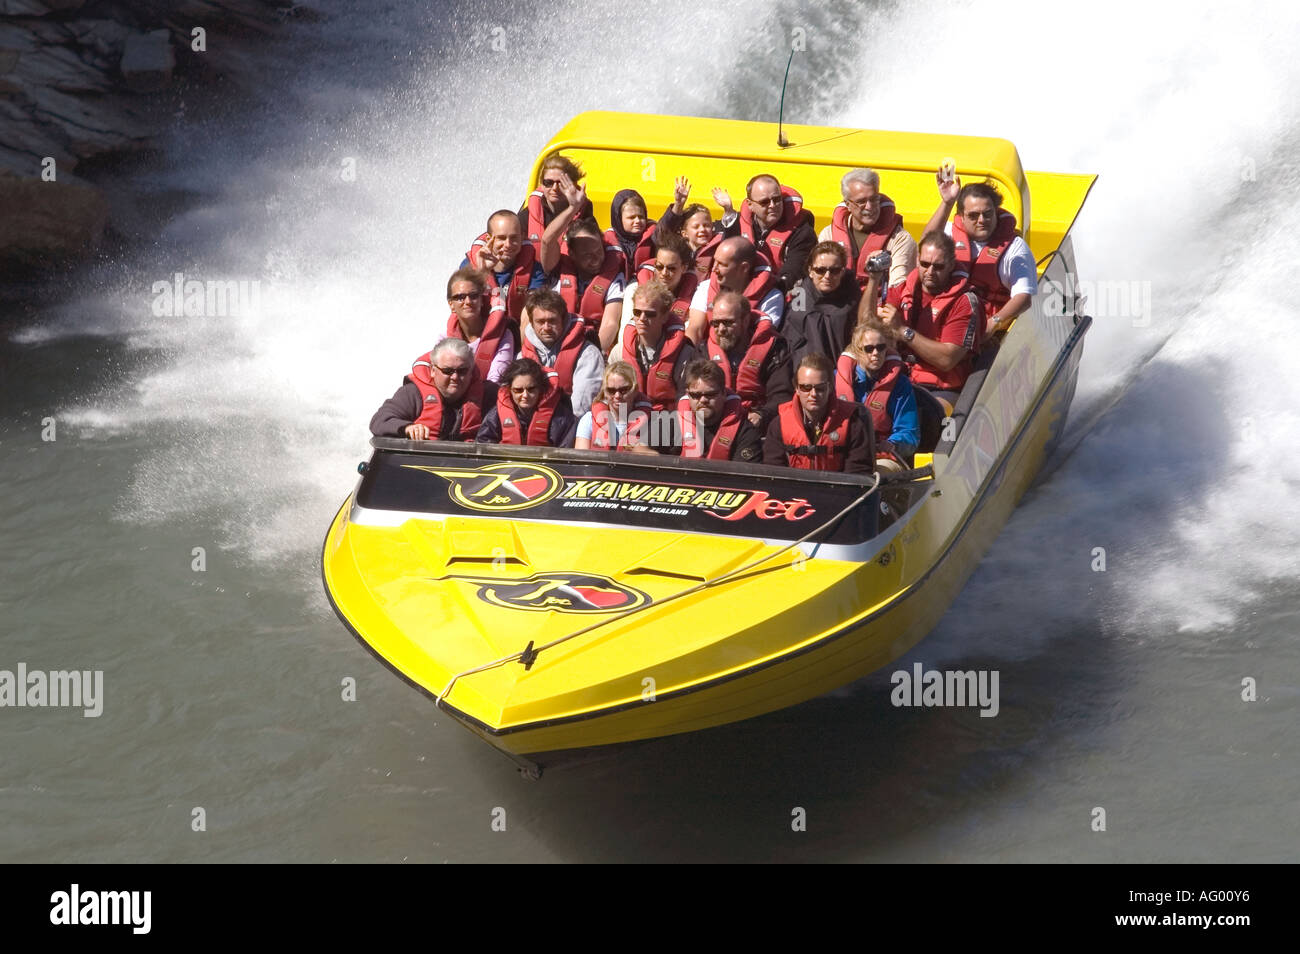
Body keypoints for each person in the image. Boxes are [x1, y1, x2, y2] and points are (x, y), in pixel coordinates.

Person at [878, 232, 983, 409]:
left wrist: (903, 331)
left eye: (938, 266)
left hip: (939, 389)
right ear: (917, 260)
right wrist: (873, 280)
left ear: (951, 265)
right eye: (925, 264)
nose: (930, 272)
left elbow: (946, 360)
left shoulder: (964, 302)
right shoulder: (904, 289)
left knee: (918, 415)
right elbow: (868, 325)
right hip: (899, 377)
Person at [923, 175, 1036, 337]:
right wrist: (947, 203)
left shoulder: (1015, 248)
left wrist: (993, 324)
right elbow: (925, 246)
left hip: (985, 329)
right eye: (973, 216)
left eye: (988, 214)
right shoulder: (948, 233)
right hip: (942, 319)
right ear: (961, 216)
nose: (982, 220)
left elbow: (1024, 296)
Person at [370, 338, 498, 441]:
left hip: (471, 467)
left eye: (462, 371)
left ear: (471, 371)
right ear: (432, 370)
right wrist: (407, 428)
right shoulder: (413, 393)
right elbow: (380, 421)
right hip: (421, 466)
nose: (455, 377)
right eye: (447, 371)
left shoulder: (489, 394)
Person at [764, 353, 874, 472]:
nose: (813, 394)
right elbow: (773, 473)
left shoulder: (852, 423)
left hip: (837, 489)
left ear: (830, 388)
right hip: (792, 489)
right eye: (806, 387)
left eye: (820, 388)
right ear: (796, 388)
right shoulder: (779, 424)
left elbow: (858, 472)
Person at [834, 320, 920, 472]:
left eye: (881, 348)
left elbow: (910, 434)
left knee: (878, 472)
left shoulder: (900, 384)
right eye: (869, 349)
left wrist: (893, 444)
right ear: (857, 350)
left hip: (881, 456)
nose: (876, 353)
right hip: (841, 451)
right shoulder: (835, 380)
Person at [709, 174, 817, 292]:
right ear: (750, 205)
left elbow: (792, 275)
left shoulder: (803, 233)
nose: (772, 205)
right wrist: (729, 211)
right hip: (739, 290)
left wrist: (759, 292)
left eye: (777, 199)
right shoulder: (738, 224)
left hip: (781, 293)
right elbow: (727, 258)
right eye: (764, 202)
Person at [704, 290, 792, 434]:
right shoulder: (703, 351)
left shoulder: (775, 350)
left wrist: (762, 415)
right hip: (713, 424)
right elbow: (687, 392)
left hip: (757, 428)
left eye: (727, 322)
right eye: (716, 323)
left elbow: (781, 395)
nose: (720, 330)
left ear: (745, 321)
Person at [820, 168, 917, 291]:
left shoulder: (900, 239)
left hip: (878, 306)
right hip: (836, 304)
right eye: (861, 202)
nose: (870, 207)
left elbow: (898, 287)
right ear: (848, 204)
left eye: (874, 199)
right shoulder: (828, 235)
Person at [611, 278, 695, 411]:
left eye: (650, 314)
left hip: (668, 422)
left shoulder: (684, 354)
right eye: (637, 313)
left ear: (665, 316)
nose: (642, 318)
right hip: (629, 419)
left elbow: (687, 401)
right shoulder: (619, 351)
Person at [543, 216, 626, 350]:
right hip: (557, 341)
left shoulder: (615, 278)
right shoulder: (558, 272)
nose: (596, 259)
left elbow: (611, 323)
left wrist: (593, 354)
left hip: (594, 344)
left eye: (599, 251)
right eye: (587, 255)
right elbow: (547, 241)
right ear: (572, 254)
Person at [519, 288, 604, 417]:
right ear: (531, 322)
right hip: (533, 422)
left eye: (552, 321)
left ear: (563, 320)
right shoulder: (522, 356)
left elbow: (581, 407)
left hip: (571, 424)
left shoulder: (588, 353)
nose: (546, 328)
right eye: (541, 322)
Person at [686, 236, 785, 343]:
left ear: (744, 268)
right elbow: (695, 329)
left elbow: (763, 337)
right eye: (715, 261)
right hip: (707, 353)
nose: (714, 269)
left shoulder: (771, 297)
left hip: (748, 354)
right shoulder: (705, 287)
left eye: (722, 264)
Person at [780, 240, 862, 369]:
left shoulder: (854, 299)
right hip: (803, 375)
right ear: (810, 271)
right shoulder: (799, 300)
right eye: (820, 270)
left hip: (843, 373)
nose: (827, 276)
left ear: (842, 271)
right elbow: (790, 344)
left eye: (834, 270)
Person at [461, 210, 547, 321]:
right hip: (480, 329)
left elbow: (535, 310)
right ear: (489, 239)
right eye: (501, 238)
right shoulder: (468, 266)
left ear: (522, 237)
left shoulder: (535, 270)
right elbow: (464, 306)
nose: (508, 244)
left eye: (514, 238)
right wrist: (482, 272)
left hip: (516, 330)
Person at [475, 357, 578, 447]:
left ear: (541, 389)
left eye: (531, 389)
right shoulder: (496, 415)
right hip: (505, 467)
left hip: (545, 468)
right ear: (509, 390)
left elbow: (566, 455)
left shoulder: (562, 418)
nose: (525, 395)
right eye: (518, 390)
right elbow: (482, 445)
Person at [437, 267, 516, 383]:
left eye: (473, 296)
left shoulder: (503, 335)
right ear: (451, 305)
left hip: (490, 396)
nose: (468, 302)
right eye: (460, 297)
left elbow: (496, 380)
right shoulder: (444, 339)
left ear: (482, 300)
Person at [675, 359, 763, 461]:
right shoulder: (668, 423)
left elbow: (746, 474)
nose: (703, 400)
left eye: (710, 394)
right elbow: (651, 454)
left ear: (724, 394)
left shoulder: (745, 431)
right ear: (688, 394)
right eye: (696, 395)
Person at [619, 232, 700, 340]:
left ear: (684, 268)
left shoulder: (696, 296)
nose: (664, 273)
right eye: (659, 267)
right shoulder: (634, 289)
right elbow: (624, 333)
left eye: (671, 268)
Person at [575, 360, 659, 453]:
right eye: (611, 390)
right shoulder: (588, 420)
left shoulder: (652, 422)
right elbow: (580, 461)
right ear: (605, 392)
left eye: (623, 390)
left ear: (635, 390)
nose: (617, 396)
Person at [521, 153, 593, 245]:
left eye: (561, 183)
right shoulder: (526, 217)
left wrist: (574, 206)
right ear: (542, 185)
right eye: (548, 182)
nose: (555, 188)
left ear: (573, 185)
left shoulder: (585, 217)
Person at [605, 189, 655, 280]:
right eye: (631, 217)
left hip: (645, 288)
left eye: (641, 217)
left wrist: (677, 208)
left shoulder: (654, 237)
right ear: (619, 219)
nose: (637, 221)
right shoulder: (605, 242)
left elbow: (667, 226)